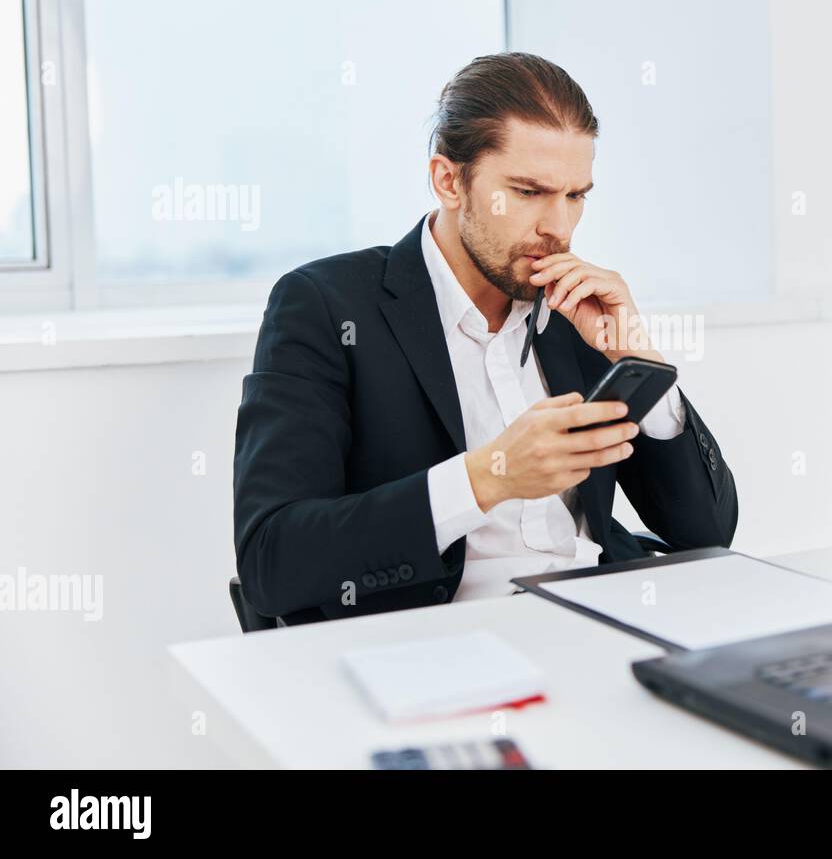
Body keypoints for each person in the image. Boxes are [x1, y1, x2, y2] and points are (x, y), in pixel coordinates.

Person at [233, 52, 738, 622]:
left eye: (575, 196)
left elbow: (706, 536)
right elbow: (272, 564)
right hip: (438, 641)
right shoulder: (325, 306)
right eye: (528, 192)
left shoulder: (578, 312)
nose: (560, 228)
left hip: (599, 619)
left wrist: (641, 361)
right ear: (449, 181)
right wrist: (487, 476)